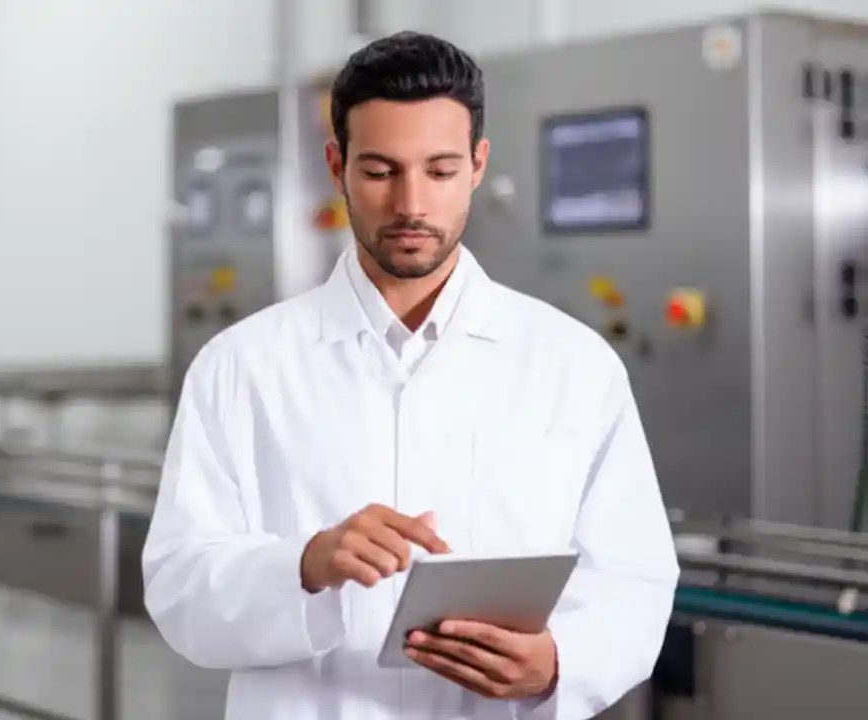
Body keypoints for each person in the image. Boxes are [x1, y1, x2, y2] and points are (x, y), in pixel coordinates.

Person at [142, 31, 679, 720]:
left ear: (479, 165)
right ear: (336, 166)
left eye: (441, 170)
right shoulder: (242, 366)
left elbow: (633, 579)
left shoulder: (572, 365)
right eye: (380, 171)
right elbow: (180, 589)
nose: (411, 205)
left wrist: (557, 663)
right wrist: (306, 564)